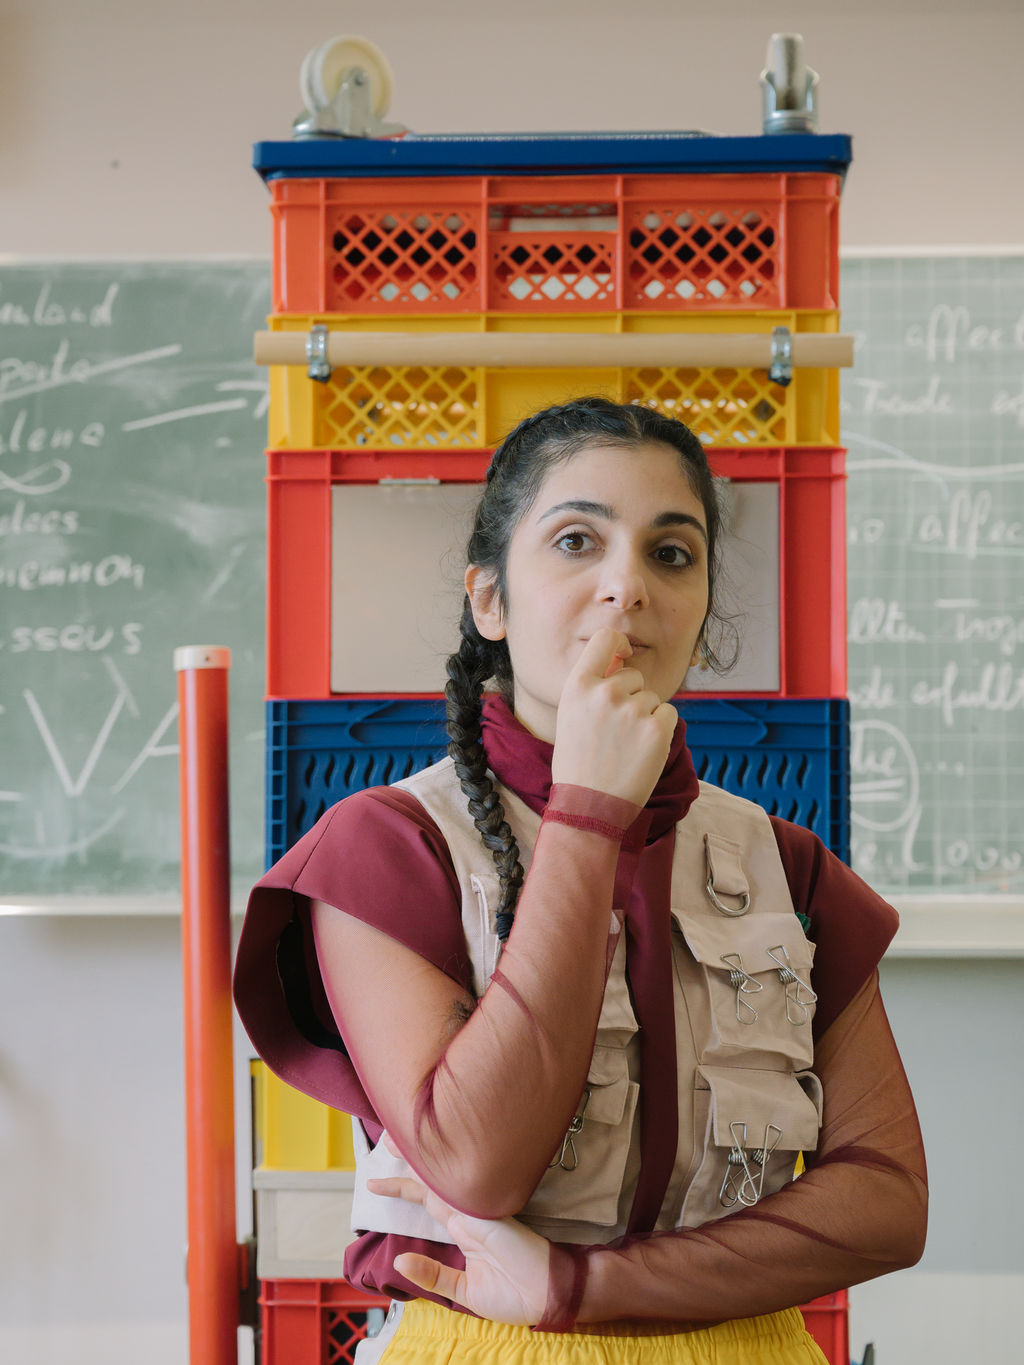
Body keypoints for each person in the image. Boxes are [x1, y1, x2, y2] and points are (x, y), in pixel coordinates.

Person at [233, 397, 927, 1365]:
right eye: (574, 541)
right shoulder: (386, 847)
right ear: (490, 600)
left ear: (704, 613)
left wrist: (578, 1288)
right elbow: (480, 1163)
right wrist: (590, 812)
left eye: (671, 554)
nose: (625, 586)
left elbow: (887, 1203)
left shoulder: (786, 862)